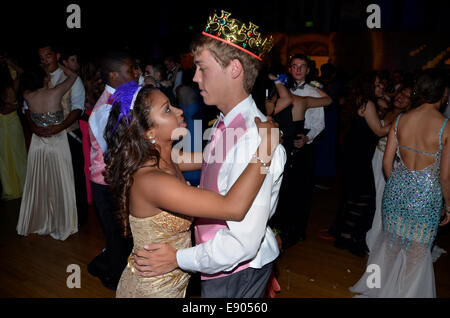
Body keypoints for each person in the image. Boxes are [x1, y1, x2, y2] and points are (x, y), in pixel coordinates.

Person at [132, 9, 287, 298]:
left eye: (202, 68)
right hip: (214, 265)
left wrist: (178, 259)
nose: (195, 77)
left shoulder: (256, 139)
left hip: (233, 272)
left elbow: (241, 244)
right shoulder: (225, 121)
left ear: (234, 70)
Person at [350, 68, 450, 297]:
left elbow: (387, 163)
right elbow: (445, 176)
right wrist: (449, 206)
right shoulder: (446, 127)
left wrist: (398, 184)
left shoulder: (401, 119)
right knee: (417, 252)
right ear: (443, 94)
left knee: (388, 244)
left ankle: (374, 287)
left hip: (395, 190)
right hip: (427, 197)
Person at [265, 72, 332, 249]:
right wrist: (318, 87)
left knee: (281, 192)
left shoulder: (274, 104)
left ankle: (278, 233)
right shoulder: (303, 100)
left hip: (279, 150)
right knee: (297, 191)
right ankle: (291, 232)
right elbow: (328, 101)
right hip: (294, 150)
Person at [87, 52, 135, 290]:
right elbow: (112, 151)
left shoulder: (121, 97)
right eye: (129, 70)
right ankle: (117, 282)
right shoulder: (106, 108)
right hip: (106, 182)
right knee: (117, 237)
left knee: (124, 235)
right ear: (114, 75)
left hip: (117, 179)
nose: (134, 74)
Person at [329, 71, 391, 257]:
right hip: (358, 156)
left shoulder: (360, 99)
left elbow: (384, 105)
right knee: (365, 199)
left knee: (353, 196)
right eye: (379, 84)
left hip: (353, 153)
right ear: (369, 85)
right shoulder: (368, 103)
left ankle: (343, 236)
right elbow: (379, 131)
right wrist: (400, 122)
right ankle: (351, 239)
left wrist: (384, 100)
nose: (382, 87)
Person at [16, 64, 78, 240]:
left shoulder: (27, 96)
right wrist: (59, 64)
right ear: (44, 79)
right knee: (61, 181)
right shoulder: (55, 92)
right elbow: (73, 76)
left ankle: (39, 220)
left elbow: (27, 113)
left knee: (39, 182)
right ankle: (63, 223)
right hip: (57, 141)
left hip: (38, 142)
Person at [29, 44, 88, 227]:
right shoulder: (37, 79)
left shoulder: (71, 79)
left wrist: (60, 127)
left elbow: (78, 108)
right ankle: (55, 218)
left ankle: (78, 220)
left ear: (57, 56)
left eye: (48, 56)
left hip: (69, 134)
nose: (45, 61)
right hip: (43, 138)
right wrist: (34, 128)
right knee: (49, 179)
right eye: (41, 58)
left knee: (74, 178)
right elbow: (26, 108)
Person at [366, 85, 412, 251]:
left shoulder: (406, 117)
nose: (402, 97)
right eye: (401, 93)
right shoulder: (386, 109)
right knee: (374, 197)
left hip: (391, 161)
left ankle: (377, 240)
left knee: (382, 200)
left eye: (407, 96)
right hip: (376, 157)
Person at [0, 54, 27, 201]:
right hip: (1, 122)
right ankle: (9, 189)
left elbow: (23, 73)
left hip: (12, 121)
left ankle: (23, 186)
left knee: (18, 153)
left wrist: (8, 61)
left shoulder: (13, 81)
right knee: (4, 156)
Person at [176, 68, 202, 186]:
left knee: (186, 148)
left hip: (184, 122)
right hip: (195, 122)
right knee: (195, 147)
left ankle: (186, 176)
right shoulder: (195, 90)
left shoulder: (180, 90)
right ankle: (195, 176)